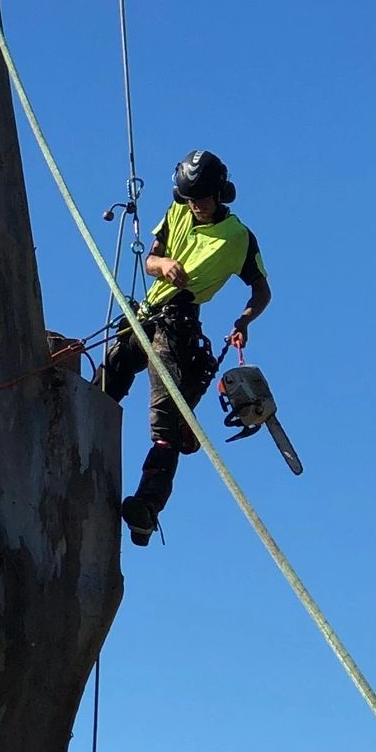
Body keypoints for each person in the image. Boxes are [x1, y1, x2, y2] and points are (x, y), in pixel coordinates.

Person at [98, 148, 270, 544]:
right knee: (113, 372)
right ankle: (73, 433)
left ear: (220, 194)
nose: (196, 207)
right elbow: (151, 259)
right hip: (148, 310)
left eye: (203, 199)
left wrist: (244, 319)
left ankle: (147, 507)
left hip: (179, 322)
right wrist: (162, 266)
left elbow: (262, 290)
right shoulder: (177, 212)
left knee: (166, 420)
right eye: (190, 199)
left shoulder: (238, 237)